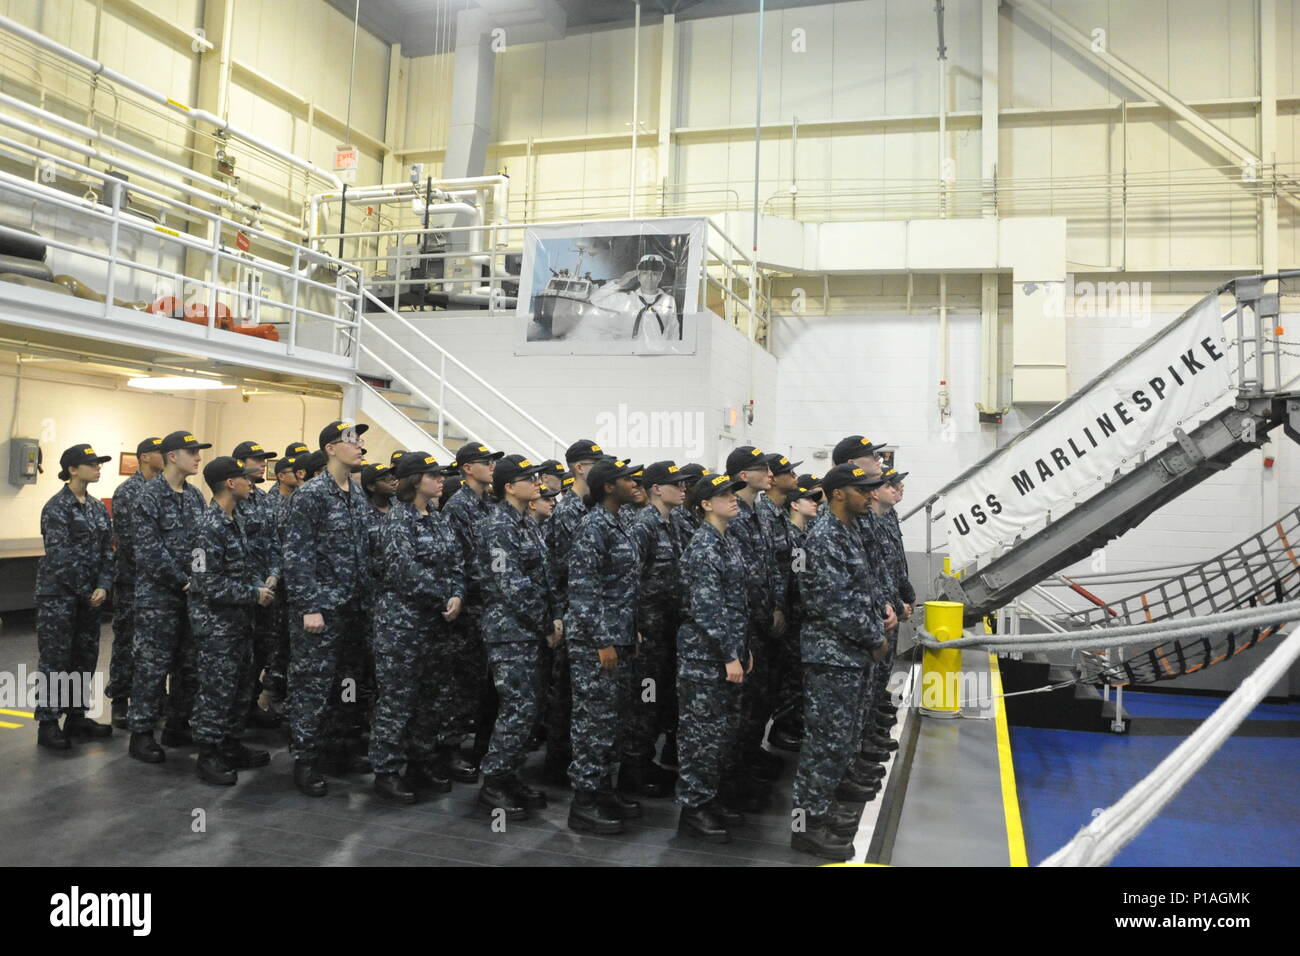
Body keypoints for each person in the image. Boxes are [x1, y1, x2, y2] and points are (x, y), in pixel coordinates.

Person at [791, 464, 894, 862]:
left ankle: (822, 808)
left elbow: (860, 589)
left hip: (851, 654)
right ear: (837, 494)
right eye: (862, 489)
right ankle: (804, 826)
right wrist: (873, 637)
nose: (871, 494)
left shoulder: (849, 531)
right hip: (831, 656)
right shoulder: (823, 539)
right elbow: (833, 602)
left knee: (841, 742)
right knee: (822, 745)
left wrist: (880, 615)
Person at [282, 420, 371, 796]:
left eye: (361, 440)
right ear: (331, 449)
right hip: (322, 611)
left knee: (347, 685)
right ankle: (306, 758)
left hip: (354, 610)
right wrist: (309, 606)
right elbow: (297, 556)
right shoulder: (311, 495)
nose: (360, 446)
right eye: (352, 441)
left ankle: (339, 747)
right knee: (312, 687)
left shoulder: (357, 494)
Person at [370, 452, 464, 802]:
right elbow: (403, 571)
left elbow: (456, 562)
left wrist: (457, 594)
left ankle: (420, 761)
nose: (441, 480)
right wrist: (445, 596)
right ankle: (387, 769)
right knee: (397, 698)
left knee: (431, 698)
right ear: (414, 480)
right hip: (402, 625)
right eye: (433, 475)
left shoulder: (438, 519)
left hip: (437, 625)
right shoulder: (398, 520)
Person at [477, 456, 561, 819]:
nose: (538, 484)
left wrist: (555, 618)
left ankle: (510, 773)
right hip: (510, 633)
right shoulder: (497, 526)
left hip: (532, 631)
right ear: (510, 486)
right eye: (529, 479)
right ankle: (493, 781)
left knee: (529, 711)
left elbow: (545, 576)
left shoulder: (526, 523)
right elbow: (510, 584)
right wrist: (545, 622)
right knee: (516, 709)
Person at [564, 457, 644, 833]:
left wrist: (632, 631)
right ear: (609, 486)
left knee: (614, 720)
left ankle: (604, 788)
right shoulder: (593, 526)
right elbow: (583, 591)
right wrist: (604, 640)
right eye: (627, 479)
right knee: (593, 722)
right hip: (596, 643)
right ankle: (584, 800)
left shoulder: (621, 522)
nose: (635, 482)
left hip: (620, 636)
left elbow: (623, 587)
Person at [674, 472, 752, 842]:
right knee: (700, 734)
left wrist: (742, 649)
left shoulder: (727, 540)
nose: (733, 498)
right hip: (705, 657)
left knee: (722, 732)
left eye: (734, 493)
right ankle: (693, 808)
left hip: (727, 651)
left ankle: (709, 797)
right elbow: (708, 610)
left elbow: (736, 603)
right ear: (706, 504)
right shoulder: (703, 547)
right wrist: (727, 655)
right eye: (724, 495)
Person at [190, 456, 276, 785]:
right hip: (216, 625)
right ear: (230, 483)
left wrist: (257, 585)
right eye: (244, 478)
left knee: (240, 687)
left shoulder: (233, 518)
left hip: (239, 621)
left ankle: (230, 743)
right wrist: (251, 594)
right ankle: (209, 753)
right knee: (216, 688)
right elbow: (204, 583)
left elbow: (240, 567)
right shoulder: (208, 526)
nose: (250, 483)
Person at [128, 430, 211, 763]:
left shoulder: (194, 497)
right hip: (157, 599)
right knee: (152, 667)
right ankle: (142, 733)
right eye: (192, 452)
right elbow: (148, 550)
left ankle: (178, 724)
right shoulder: (148, 497)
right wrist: (183, 580)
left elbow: (203, 543)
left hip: (190, 597)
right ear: (172, 456)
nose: (198, 458)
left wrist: (199, 578)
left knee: (188, 666)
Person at [33, 444, 115, 749]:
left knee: (85, 657)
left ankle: (77, 716)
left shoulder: (95, 508)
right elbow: (60, 557)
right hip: (59, 598)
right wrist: (86, 591)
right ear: (72, 469)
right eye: (91, 463)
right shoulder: (56, 508)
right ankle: (48, 722)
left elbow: (108, 550)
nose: (98, 468)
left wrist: (104, 586)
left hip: (90, 597)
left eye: (98, 463)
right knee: (56, 660)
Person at [622, 460, 693, 797]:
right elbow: (629, 580)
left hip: (669, 630)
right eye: (675, 484)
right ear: (655, 489)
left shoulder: (674, 522)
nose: (683, 489)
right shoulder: (643, 526)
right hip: (647, 634)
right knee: (644, 699)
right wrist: (632, 626)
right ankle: (633, 768)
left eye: (683, 484)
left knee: (661, 698)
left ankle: (647, 760)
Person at [438, 441, 505, 783]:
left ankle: (478, 747)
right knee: (460, 684)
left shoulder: (490, 505)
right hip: (469, 608)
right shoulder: (458, 508)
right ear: (467, 468)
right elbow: (456, 561)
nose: (492, 466)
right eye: (485, 462)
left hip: (490, 608)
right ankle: (447, 751)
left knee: (485, 684)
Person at [723, 446, 786, 804]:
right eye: (762, 468)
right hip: (743, 623)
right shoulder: (732, 512)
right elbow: (738, 579)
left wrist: (776, 606)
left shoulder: (760, 512)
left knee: (758, 702)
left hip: (762, 621)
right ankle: (733, 779)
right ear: (743, 475)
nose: (770, 473)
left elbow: (770, 565)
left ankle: (746, 764)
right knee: (740, 709)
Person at [544, 438, 609, 784]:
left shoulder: (589, 508)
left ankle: (570, 760)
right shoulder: (570, 511)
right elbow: (572, 571)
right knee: (568, 693)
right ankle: (559, 762)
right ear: (580, 468)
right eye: (596, 462)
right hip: (573, 612)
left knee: (579, 695)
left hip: (584, 612)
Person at [106, 436, 163, 729]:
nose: (164, 455)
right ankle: (120, 700)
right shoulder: (129, 491)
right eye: (158, 452)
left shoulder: (168, 489)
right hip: (133, 582)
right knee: (127, 642)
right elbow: (129, 542)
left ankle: (153, 698)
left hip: (160, 587)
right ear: (143, 457)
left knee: (154, 647)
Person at [231, 440, 282, 731]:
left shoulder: (263, 500)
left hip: (266, 591)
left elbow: (274, 541)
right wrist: (252, 586)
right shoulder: (229, 500)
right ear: (239, 463)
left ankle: (250, 705)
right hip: (241, 592)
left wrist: (274, 573)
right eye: (257, 459)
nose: (263, 463)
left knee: (260, 652)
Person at [769, 484, 823, 753]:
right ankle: (783, 728)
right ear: (793, 504)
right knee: (790, 675)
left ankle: (793, 724)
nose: (815, 503)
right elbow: (786, 579)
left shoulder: (805, 535)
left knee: (798, 675)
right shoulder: (790, 537)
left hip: (801, 615)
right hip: (792, 616)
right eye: (809, 499)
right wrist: (782, 609)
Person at [757, 453, 803, 753]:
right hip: (768, 612)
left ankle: (775, 732)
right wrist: (774, 606)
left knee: (779, 677)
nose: (794, 478)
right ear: (773, 478)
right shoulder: (761, 514)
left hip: (785, 607)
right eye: (789, 473)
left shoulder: (780, 515)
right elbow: (764, 566)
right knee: (765, 682)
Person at [263, 455, 306, 711]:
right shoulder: (272, 503)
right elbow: (274, 543)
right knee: (276, 637)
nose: (298, 476)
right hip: (278, 581)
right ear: (280, 475)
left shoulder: (299, 500)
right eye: (292, 471)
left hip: (290, 580)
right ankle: (275, 685)